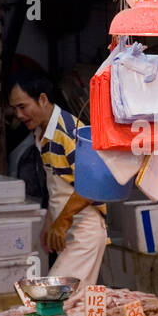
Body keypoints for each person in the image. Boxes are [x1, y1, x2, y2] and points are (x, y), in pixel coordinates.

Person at [7, 71, 107, 299]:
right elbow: (57, 185)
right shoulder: (42, 133)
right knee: (78, 304)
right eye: (15, 109)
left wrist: (62, 222)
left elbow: (93, 183)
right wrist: (50, 223)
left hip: (85, 229)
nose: (19, 115)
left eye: (23, 106)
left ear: (42, 99)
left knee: (54, 298)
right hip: (68, 225)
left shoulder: (68, 131)